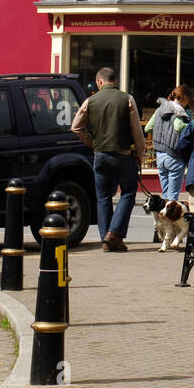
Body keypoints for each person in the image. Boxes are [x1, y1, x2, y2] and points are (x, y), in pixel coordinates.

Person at [70, 67, 145, 252]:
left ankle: (108, 240)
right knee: (128, 192)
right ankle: (114, 233)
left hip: (100, 155)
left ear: (99, 82)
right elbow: (136, 129)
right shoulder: (126, 98)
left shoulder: (91, 100)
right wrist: (140, 152)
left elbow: (76, 127)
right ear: (114, 81)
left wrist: (92, 143)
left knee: (102, 197)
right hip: (123, 153)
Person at [144, 85, 194, 201]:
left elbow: (147, 128)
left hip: (160, 156)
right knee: (173, 197)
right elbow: (178, 126)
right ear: (185, 98)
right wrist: (193, 127)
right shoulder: (178, 110)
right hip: (174, 156)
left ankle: (164, 218)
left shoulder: (160, 109)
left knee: (165, 195)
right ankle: (171, 218)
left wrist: (161, 131)